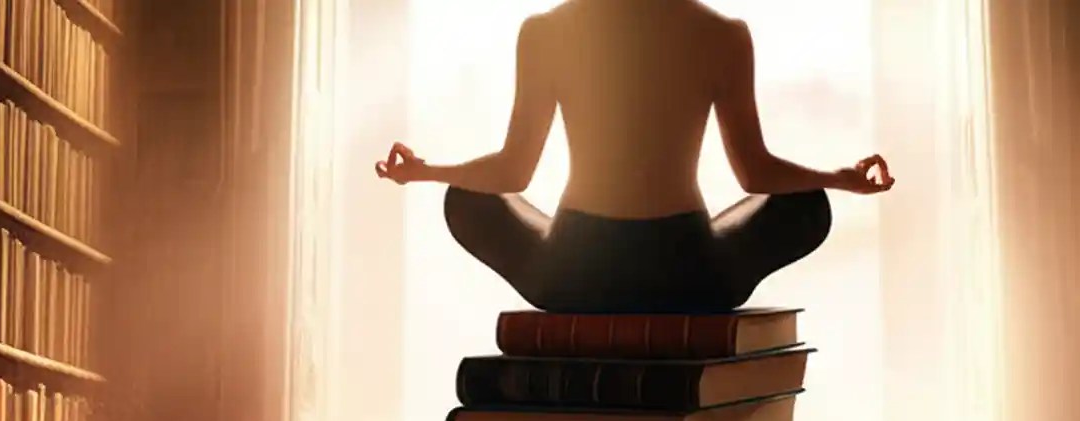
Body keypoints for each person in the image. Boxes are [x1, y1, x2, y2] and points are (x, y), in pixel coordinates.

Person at [375, 0, 894, 314]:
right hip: (690, 273)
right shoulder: (722, 35)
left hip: (571, 273)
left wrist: (425, 173)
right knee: (803, 206)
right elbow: (756, 172)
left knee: (469, 200)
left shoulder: (547, 31)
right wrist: (840, 180)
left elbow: (513, 170)